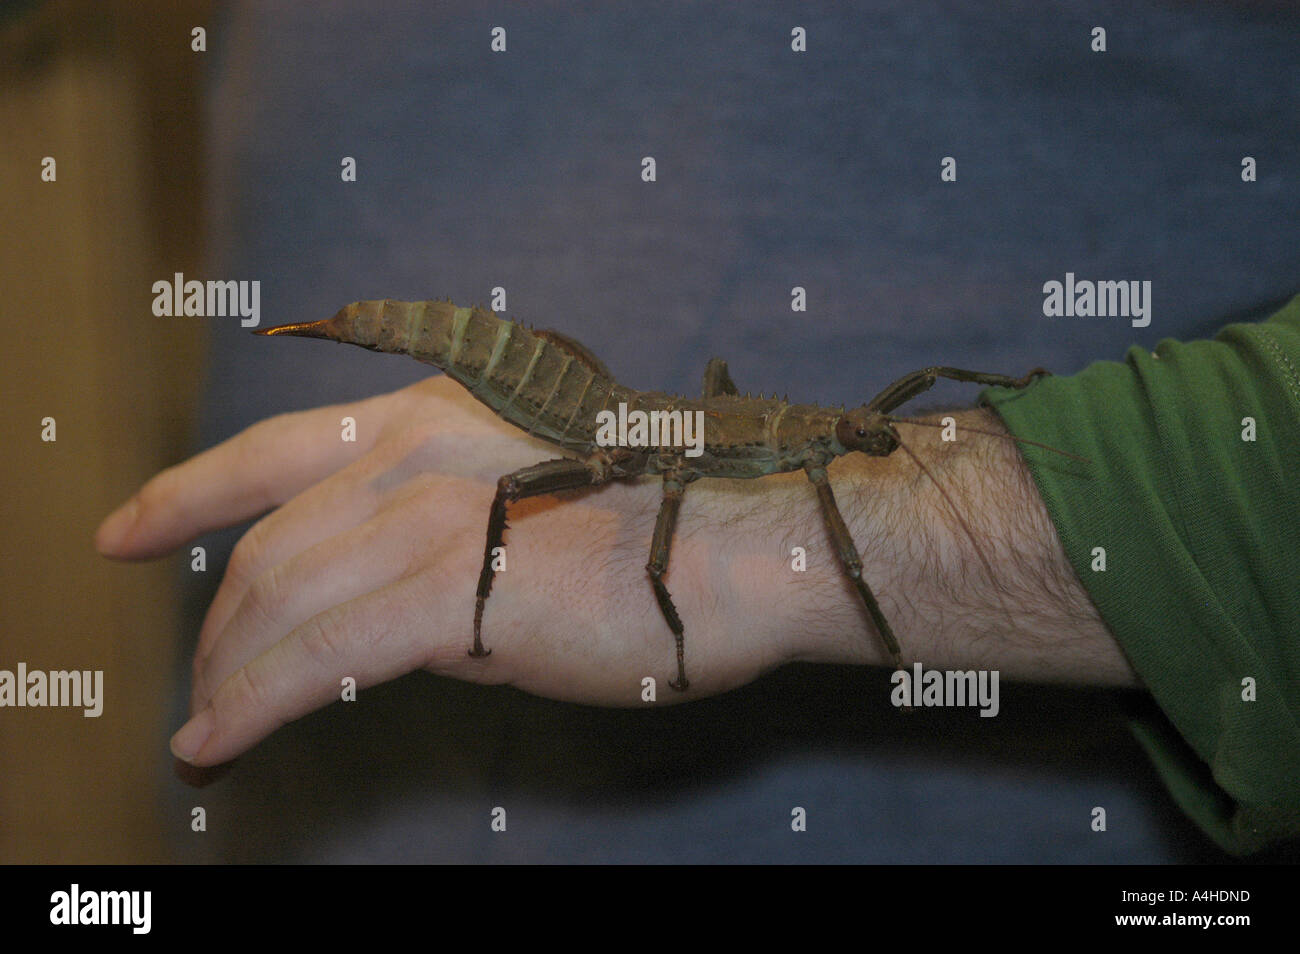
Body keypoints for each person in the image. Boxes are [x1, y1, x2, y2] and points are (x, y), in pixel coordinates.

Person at [96, 296, 1300, 854]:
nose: (868, 445)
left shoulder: (825, 455)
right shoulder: (735, 452)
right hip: (615, 428)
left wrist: (957, 517)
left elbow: (703, 543)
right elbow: (666, 525)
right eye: (861, 442)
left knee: (538, 488)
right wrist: (671, 588)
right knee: (532, 477)